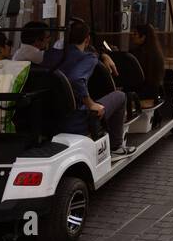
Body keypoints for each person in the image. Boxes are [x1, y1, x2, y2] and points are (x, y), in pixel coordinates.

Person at [41, 19, 130, 151]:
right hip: (76, 121)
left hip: (50, 119)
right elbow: (76, 79)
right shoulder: (87, 58)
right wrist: (91, 104)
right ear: (87, 40)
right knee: (120, 96)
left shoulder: (49, 55)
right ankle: (116, 147)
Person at [127, 22, 167, 99]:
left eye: (135, 34)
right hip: (152, 91)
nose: (132, 36)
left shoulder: (138, 54)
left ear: (143, 37)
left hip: (142, 92)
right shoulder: (156, 52)